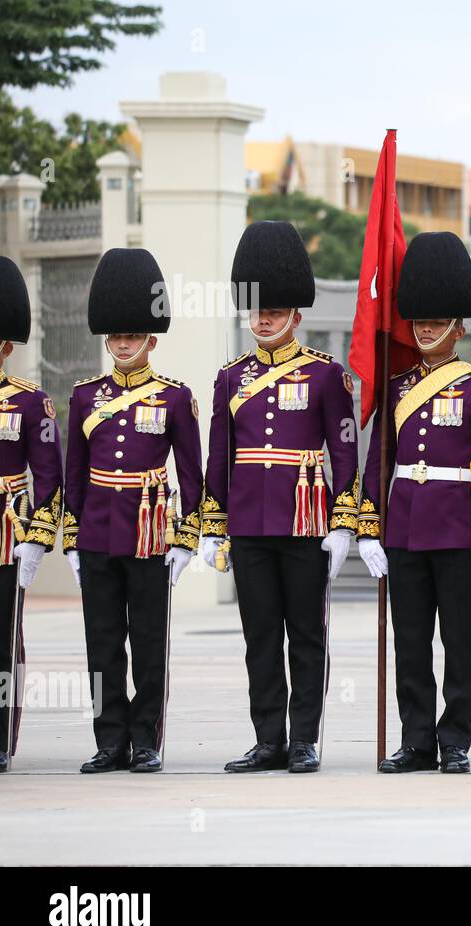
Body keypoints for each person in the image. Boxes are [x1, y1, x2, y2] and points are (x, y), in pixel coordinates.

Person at [201, 221, 359, 774]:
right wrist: (212, 523)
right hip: (249, 525)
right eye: (257, 310)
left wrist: (343, 521)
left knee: (306, 635)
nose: (263, 319)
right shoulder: (230, 379)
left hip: (304, 523)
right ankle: (268, 738)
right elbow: (219, 457)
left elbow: (345, 452)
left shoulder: (325, 375)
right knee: (260, 637)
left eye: (273, 310)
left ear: (295, 314)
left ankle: (304, 739)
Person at [356, 232, 471, 774]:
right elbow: (379, 463)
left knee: (459, 641)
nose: (425, 330)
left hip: (457, 531)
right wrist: (368, 527)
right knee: (410, 642)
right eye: (420, 321)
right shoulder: (398, 387)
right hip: (404, 529)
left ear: (458, 327)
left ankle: (454, 740)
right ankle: (416, 740)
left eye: (436, 321)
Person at [62, 249, 202, 773]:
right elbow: (74, 473)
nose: (123, 344)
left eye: (132, 335)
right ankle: (109, 740)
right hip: (98, 532)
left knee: (147, 643)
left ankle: (146, 739)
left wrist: (186, 538)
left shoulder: (174, 397)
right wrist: (71, 538)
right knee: (101, 645)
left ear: (151, 339)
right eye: (116, 336)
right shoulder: (84, 397)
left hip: (149, 534)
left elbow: (191, 474)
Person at [0, 257, 63, 773]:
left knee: (2, 641)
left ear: (4, 346)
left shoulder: (29, 403)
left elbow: (50, 478)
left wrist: (38, 537)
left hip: (5, 533)